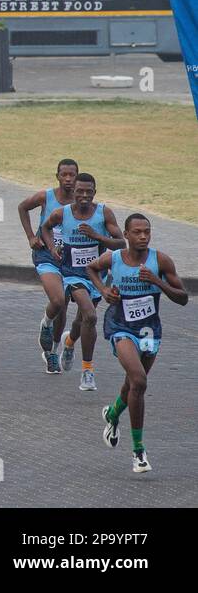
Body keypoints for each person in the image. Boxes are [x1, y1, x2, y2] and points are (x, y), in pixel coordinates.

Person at [86, 214, 188, 474]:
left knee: (132, 386)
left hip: (149, 330)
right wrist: (103, 290)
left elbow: (183, 298)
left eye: (147, 232)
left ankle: (112, 414)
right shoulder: (115, 258)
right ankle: (138, 451)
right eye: (137, 232)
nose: (143, 236)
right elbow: (91, 268)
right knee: (139, 381)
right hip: (120, 327)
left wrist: (157, 282)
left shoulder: (160, 261)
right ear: (127, 234)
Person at [40, 173, 124, 391]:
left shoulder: (104, 213)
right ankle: (87, 372)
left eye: (89, 191)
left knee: (82, 321)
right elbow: (45, 228)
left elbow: (121, 243)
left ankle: (69, 344)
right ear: (74, 193)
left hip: (97, 276)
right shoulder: (62, 213)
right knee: (90, 315)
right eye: (80, 191)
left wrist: (98, 237)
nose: (84, 195)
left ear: (95, 192)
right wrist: (51, 248)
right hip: (72, 275)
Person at [20, 158, 80, 374]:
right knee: (58, 300)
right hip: (46, 254)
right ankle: (45, 323)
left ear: (77, 177)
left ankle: (52, 351)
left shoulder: (82, 202)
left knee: (63, 308)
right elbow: (22, 207)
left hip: (71, 259)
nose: (68, 179)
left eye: (72, 175)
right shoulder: (46, 197)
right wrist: (30, 237)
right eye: (63, 174)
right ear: (57, 176)